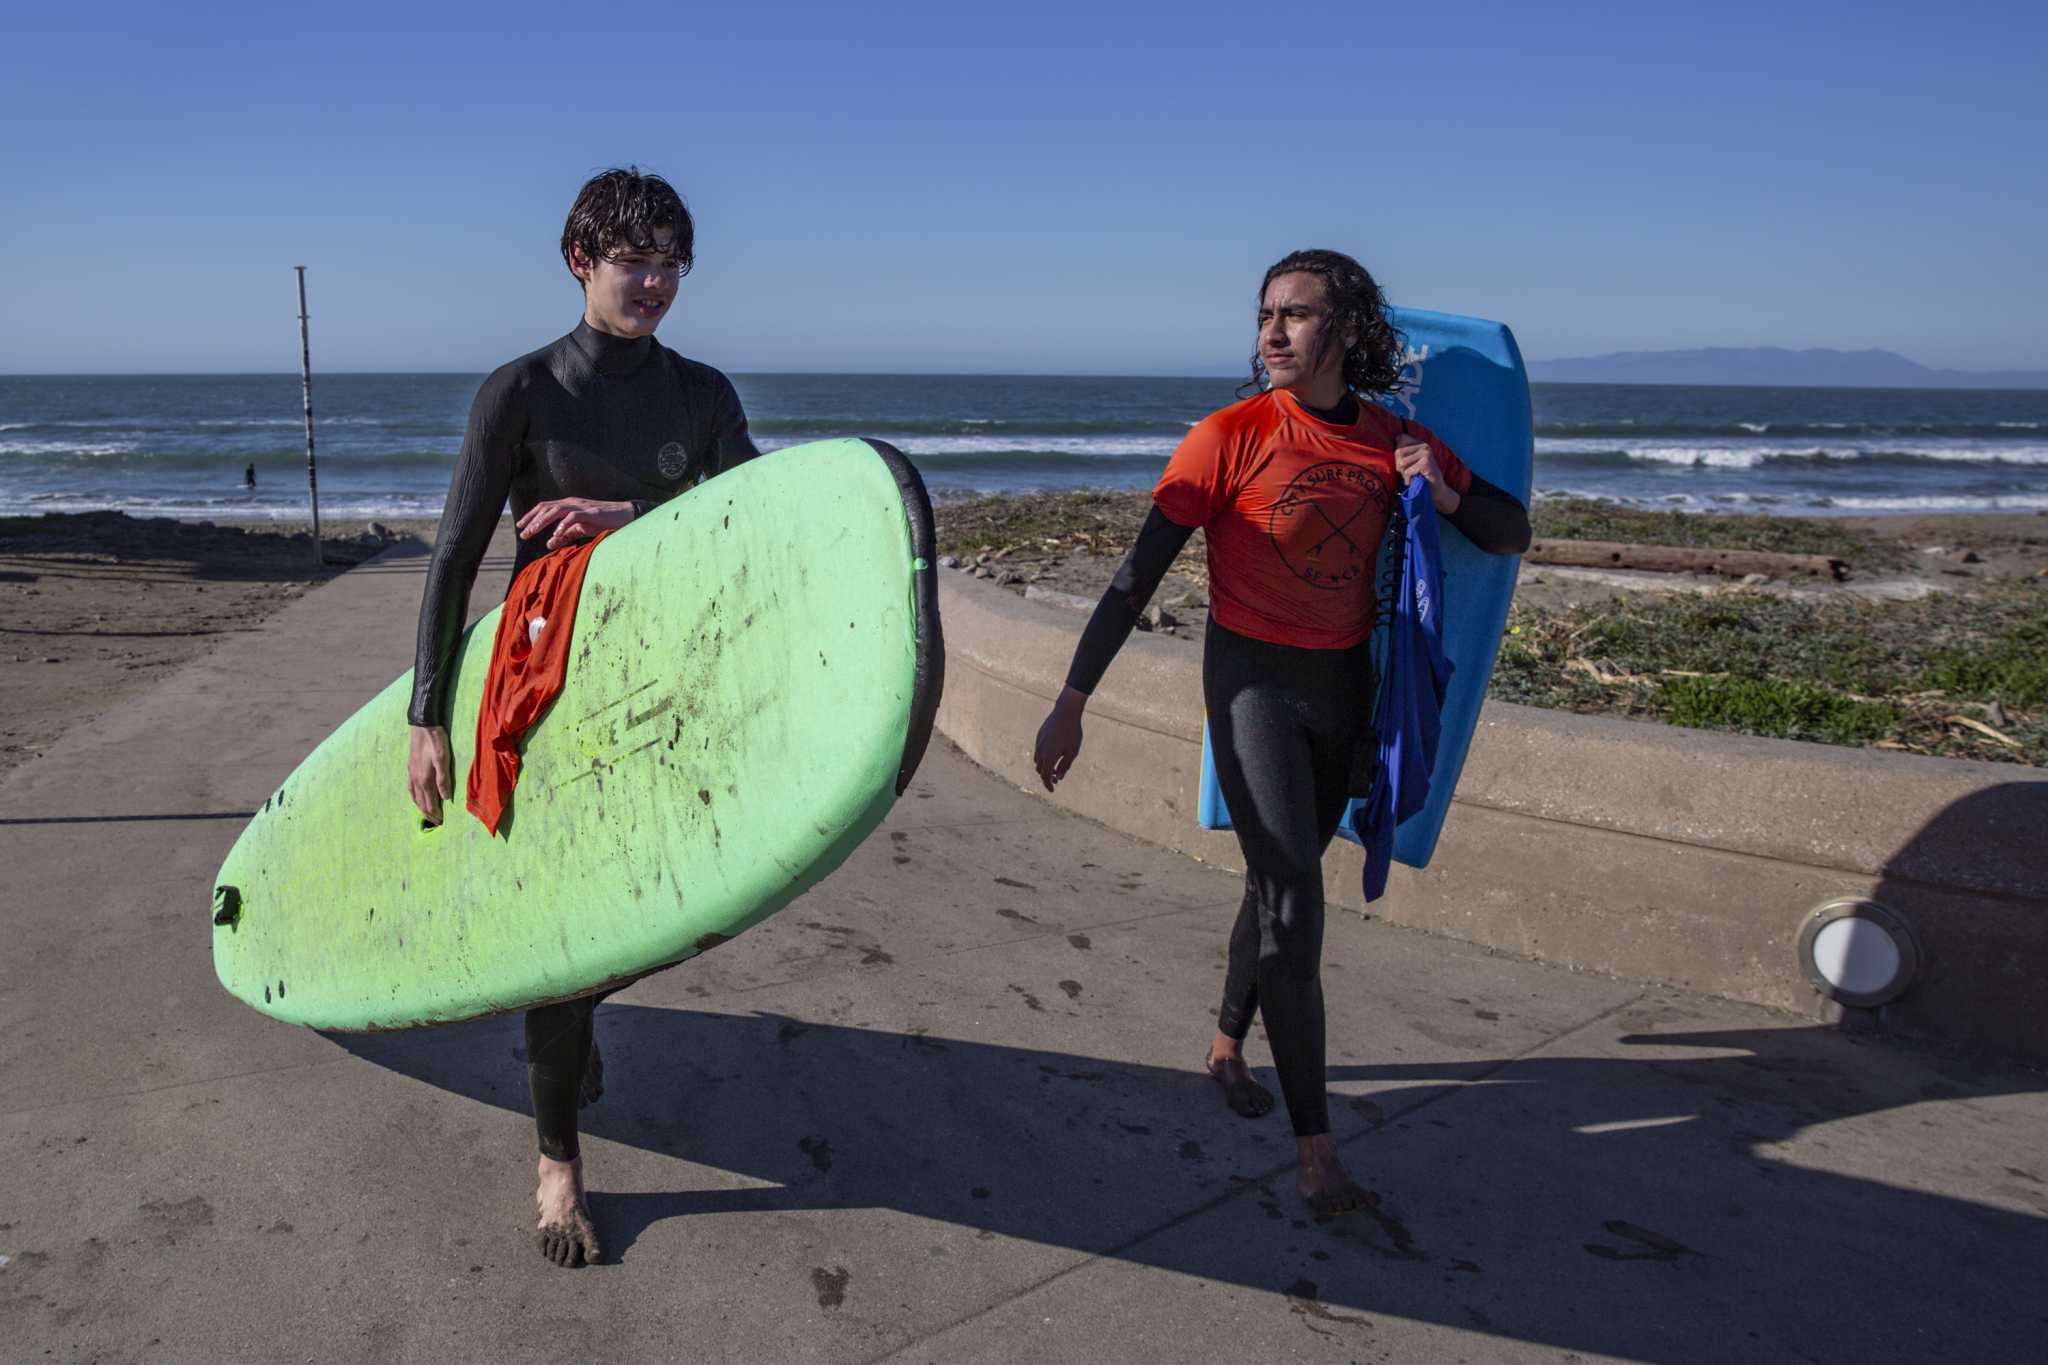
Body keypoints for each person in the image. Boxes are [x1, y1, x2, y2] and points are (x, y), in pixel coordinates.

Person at [1032, 249, 1530, 1215]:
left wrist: (1450, 491)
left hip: (1344, 688)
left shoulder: (1393, 439)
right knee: (1296, 901)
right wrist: (1072, 698)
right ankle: (1317, 1153)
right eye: (1264, 314)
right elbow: (1138, 576)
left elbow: (1509, 531)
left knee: (1280, 877)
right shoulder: (1228, 436)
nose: (1271, 332)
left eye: (1295, 316)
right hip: (1251, 682)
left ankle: (1225, 1045)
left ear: (1345, 331)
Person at [404, 167, 759, 1267]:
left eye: (669, 263)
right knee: (561, 935)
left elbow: (752, 520)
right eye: (632, 261)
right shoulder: (520, 392)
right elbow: (458, 555)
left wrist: (629, 511)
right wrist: (427, 714)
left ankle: (584, 1014)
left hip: (661, 688)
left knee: (645, 907)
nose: (653, 281)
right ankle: (559, 1165)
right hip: (546, 690)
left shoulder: (702, 396)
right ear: (580, 263)